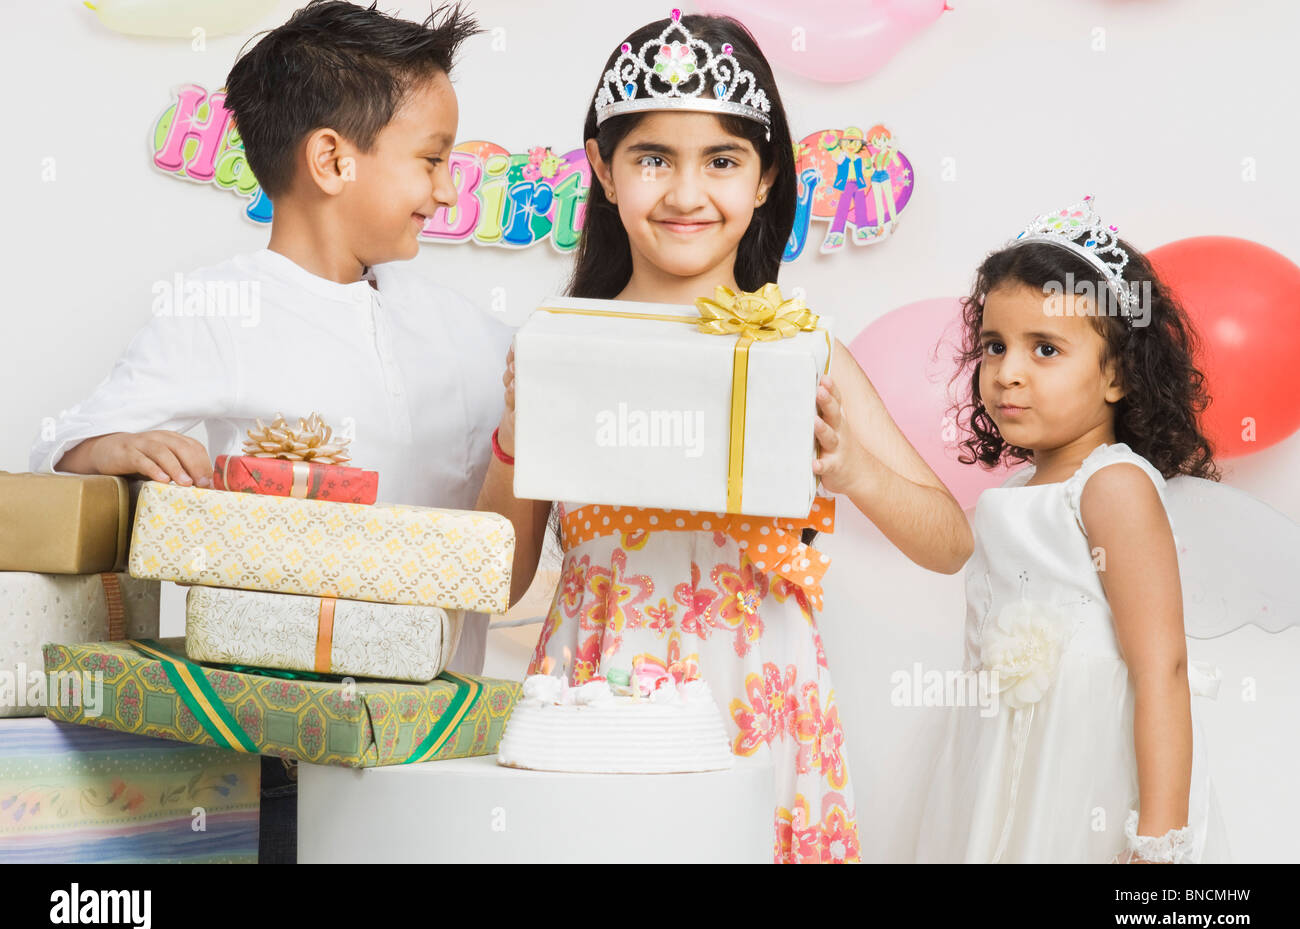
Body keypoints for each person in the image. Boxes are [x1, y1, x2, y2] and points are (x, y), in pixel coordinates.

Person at [476, 10, 972, 863]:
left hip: (759, 703)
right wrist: (516, 440)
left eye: (723, 160)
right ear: (602, 167)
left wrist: (854, 469)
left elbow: (950, 542)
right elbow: (503, 579)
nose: (685, 193)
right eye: (652, 158)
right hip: (596, 702)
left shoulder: (801, 347)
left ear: (768, 175)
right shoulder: (562, 341)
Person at [31, 0, 509, 863]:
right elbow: (65, 444)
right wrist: (104, 450)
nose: (446, 188)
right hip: (282, 756)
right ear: (331, 158)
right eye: (432, 160)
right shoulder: (219, 311)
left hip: (443, 745)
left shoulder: (466, 333)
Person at [914, 196, 1233, 862]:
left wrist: (1158, 835)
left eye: (1046, 349)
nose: (1009, 372)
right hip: (1010, 765)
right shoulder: (1011, 496)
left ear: (1116, 371)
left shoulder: (1111, 485)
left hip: (1086, 773)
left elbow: (1162, 668)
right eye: (995, 346)